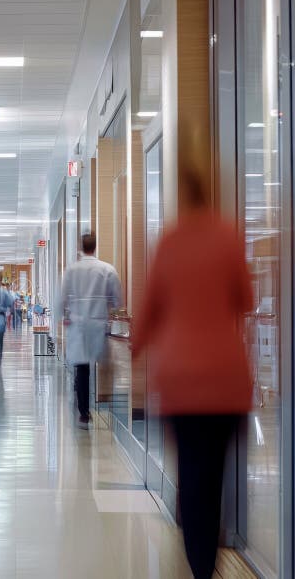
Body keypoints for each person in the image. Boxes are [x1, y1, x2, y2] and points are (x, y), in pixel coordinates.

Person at [132, 174, 253, 579]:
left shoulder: (170, 242)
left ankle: (199, 562)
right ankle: (209, 561)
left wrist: (135, 351)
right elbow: (246, 299)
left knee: (191, 477)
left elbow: (149, 312)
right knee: (213, 475)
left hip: (181, 382)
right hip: (225, 381)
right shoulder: (229, 238)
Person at [60, 233, 122, 429]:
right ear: (95, 247)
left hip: (78, 327)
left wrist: (62, 318)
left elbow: (61, 298)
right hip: (98, 324)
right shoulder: (107, 269)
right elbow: (118, 300)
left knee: (82, 369)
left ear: (81, 247)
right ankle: (109, 406)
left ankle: (84, 413)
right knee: (103, 365)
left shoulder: (72, 270)